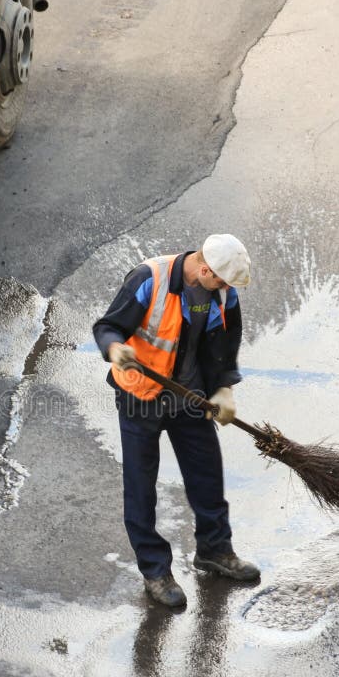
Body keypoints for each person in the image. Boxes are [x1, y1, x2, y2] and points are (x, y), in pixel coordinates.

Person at [93, 234, 260, 608]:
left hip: (190, 397)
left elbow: (226, 342)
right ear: (204, 268)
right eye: (221, 281)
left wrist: (223, 388)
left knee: (207, 475)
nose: (227, 290)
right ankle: (155, 570)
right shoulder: (149, 279)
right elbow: (106, 327)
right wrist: (116, 348)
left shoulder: (223, 292)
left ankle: (215, 550)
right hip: (141, 396)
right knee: (141, 486)